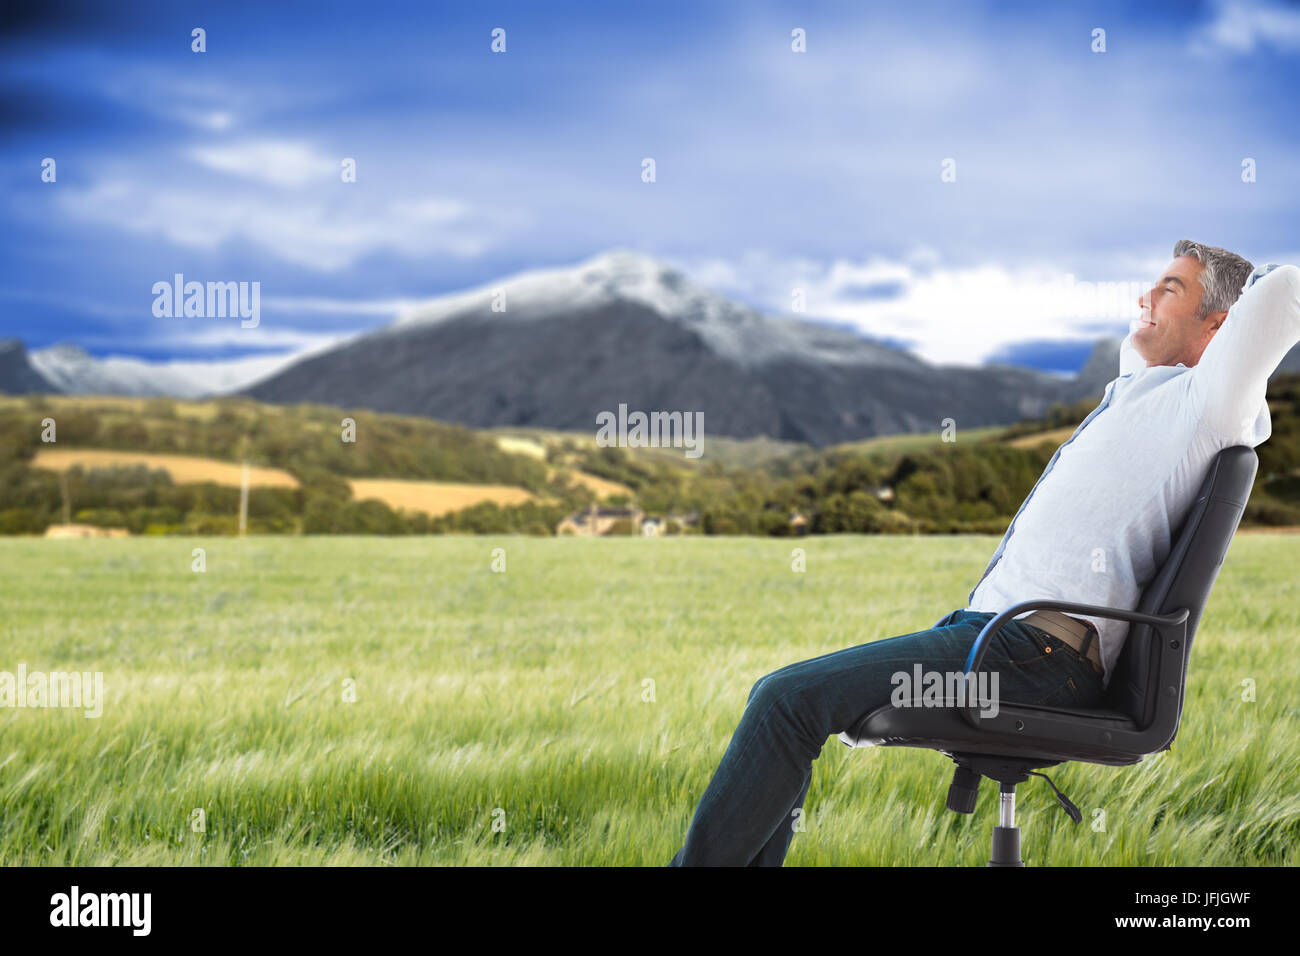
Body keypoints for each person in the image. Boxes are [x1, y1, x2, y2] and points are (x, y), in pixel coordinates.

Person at [668, 241, 1300, 866]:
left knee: (785, 701)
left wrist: (1243, 289)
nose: (1144, 297)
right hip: (993, 642)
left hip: (1034, 658)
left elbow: (1283, 292)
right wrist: (1168, 307)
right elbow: (1136, 347)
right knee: (789, 705)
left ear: (1220, 325)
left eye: (1170, 289)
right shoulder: (1138, 392)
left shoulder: (1209, 405)